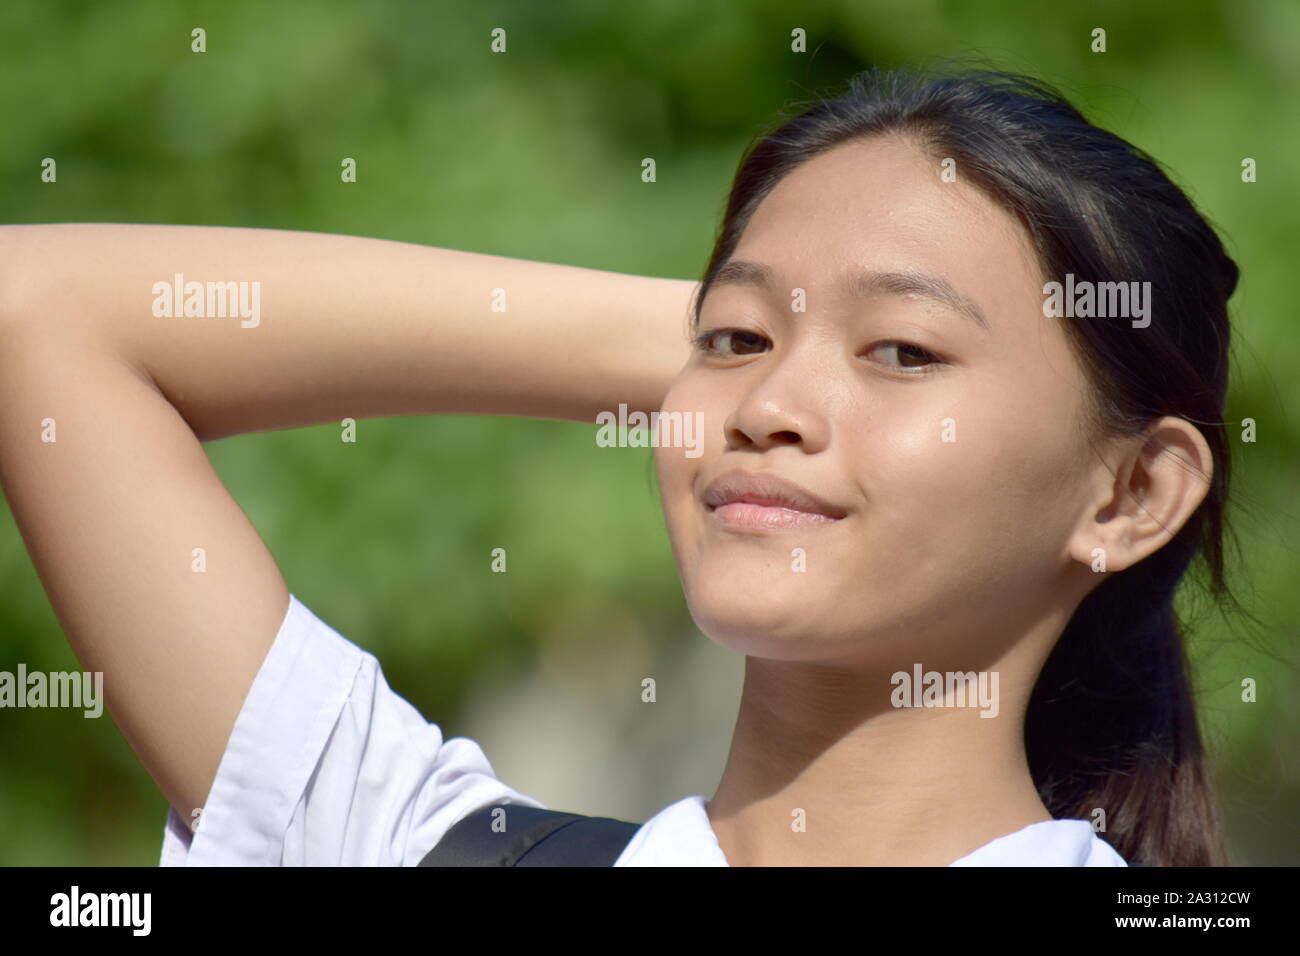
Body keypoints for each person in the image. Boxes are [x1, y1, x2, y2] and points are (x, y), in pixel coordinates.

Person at [0, 67, 1238, 866]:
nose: (769, 403)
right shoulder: (412, 847)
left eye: (905, 348)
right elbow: (34, 310)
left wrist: (767, 342)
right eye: (735, 340)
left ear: (1129, 492)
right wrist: (734, 351)